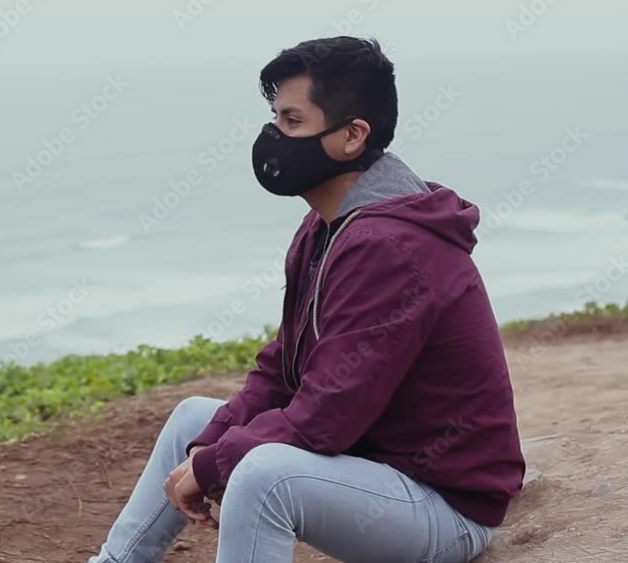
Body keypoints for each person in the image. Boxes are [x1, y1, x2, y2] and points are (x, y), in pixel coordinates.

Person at [87, 36, 525, 563]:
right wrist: (212, 441)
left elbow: (326, 415)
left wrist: (211, 466)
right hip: (371, 466)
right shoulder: (329, 226)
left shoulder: (388, 245)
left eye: (292, 122)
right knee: (192, 420)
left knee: (261, 476)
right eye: (274, 118)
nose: (274, 136)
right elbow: (283, 367)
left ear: (352, 135)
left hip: (444, 507)